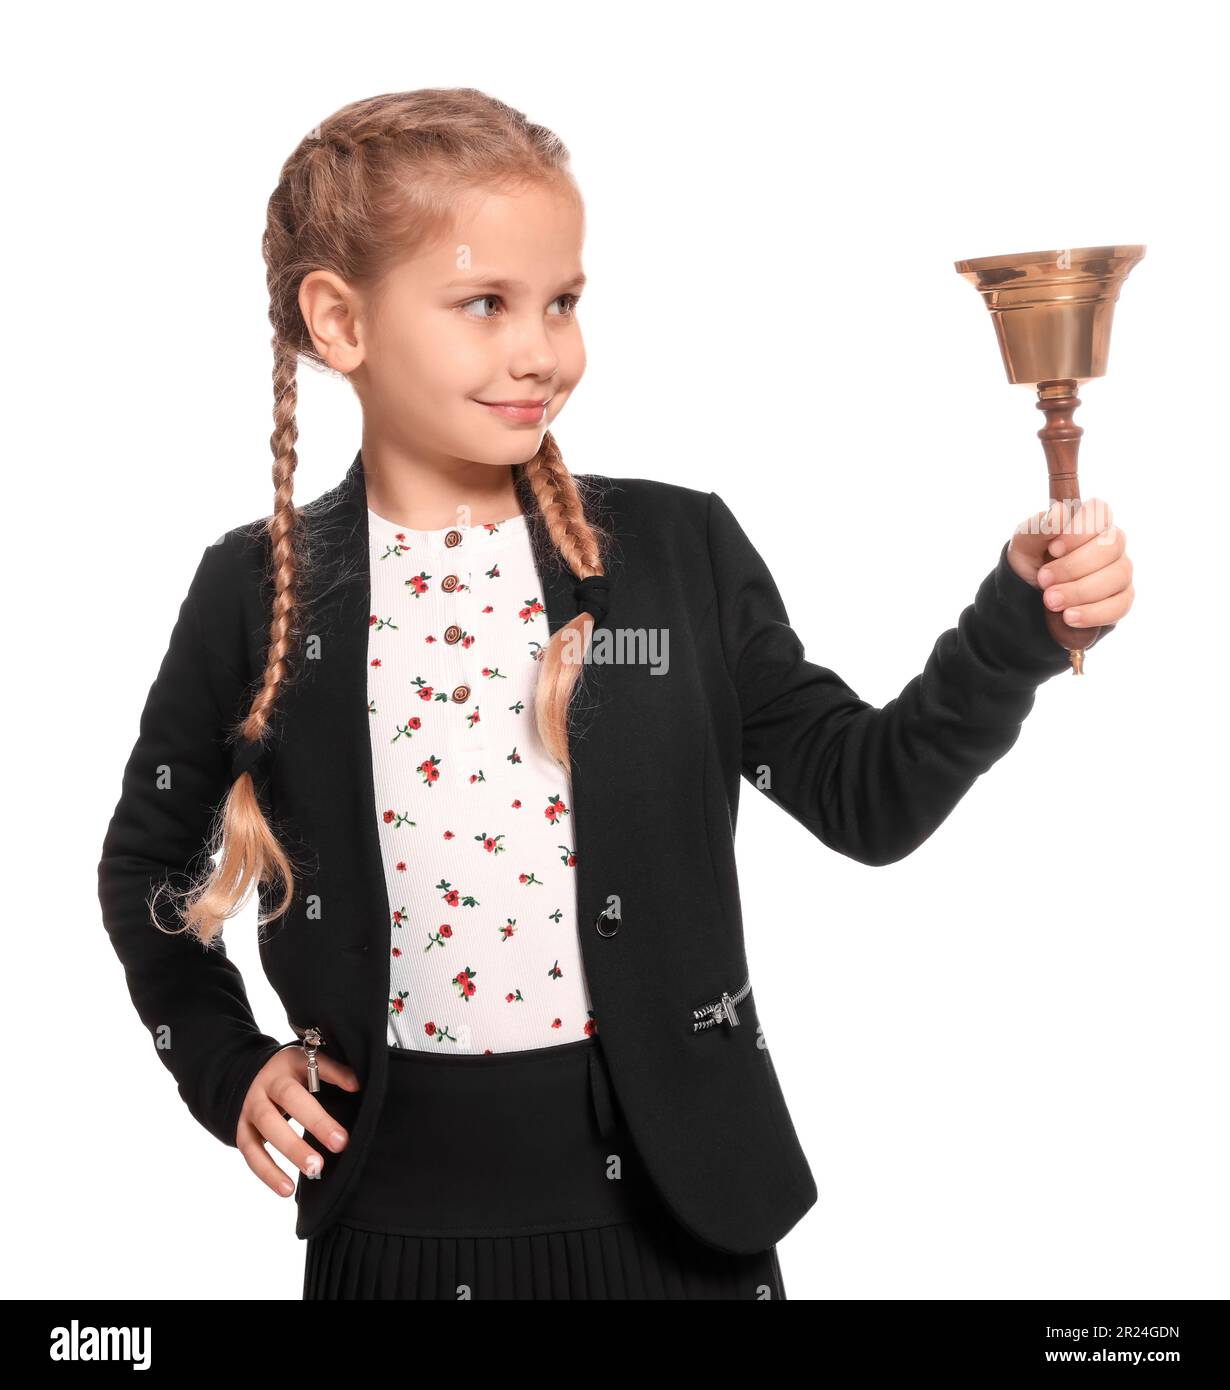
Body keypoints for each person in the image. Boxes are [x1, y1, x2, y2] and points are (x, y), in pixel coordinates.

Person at [96, 87, 1135, 1301]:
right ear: (340, 320)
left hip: (681, 1232)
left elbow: (868, 797)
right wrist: (225, 1063)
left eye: (564, 302)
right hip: (393, 1227)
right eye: (485, 303)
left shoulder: (677, 552)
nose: (542, 349)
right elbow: (144, 869)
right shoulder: (257, 589)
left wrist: (1013, 629)